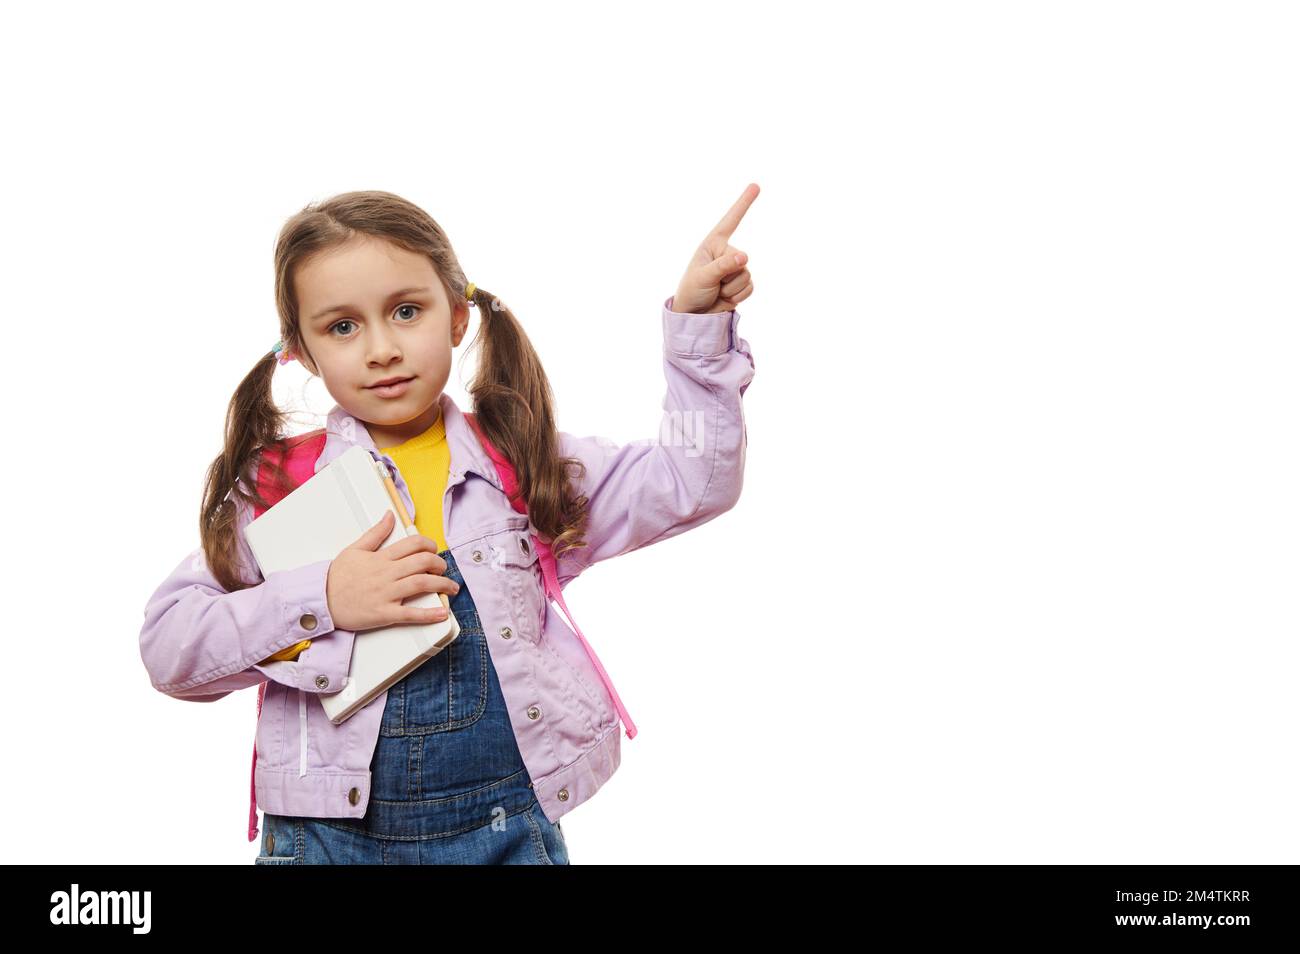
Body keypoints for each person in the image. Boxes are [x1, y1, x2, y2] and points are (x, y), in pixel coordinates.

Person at [139, 185, 758, 864]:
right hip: (326, 843)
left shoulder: (520, 462)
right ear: (302, 350)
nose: (381, 348)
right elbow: (170, 649)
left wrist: (699, 333)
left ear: (458, 316)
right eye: (342, 326)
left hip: (505, 832)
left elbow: (692, 482)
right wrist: (323, 601)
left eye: (406, 311)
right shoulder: (280, 488)